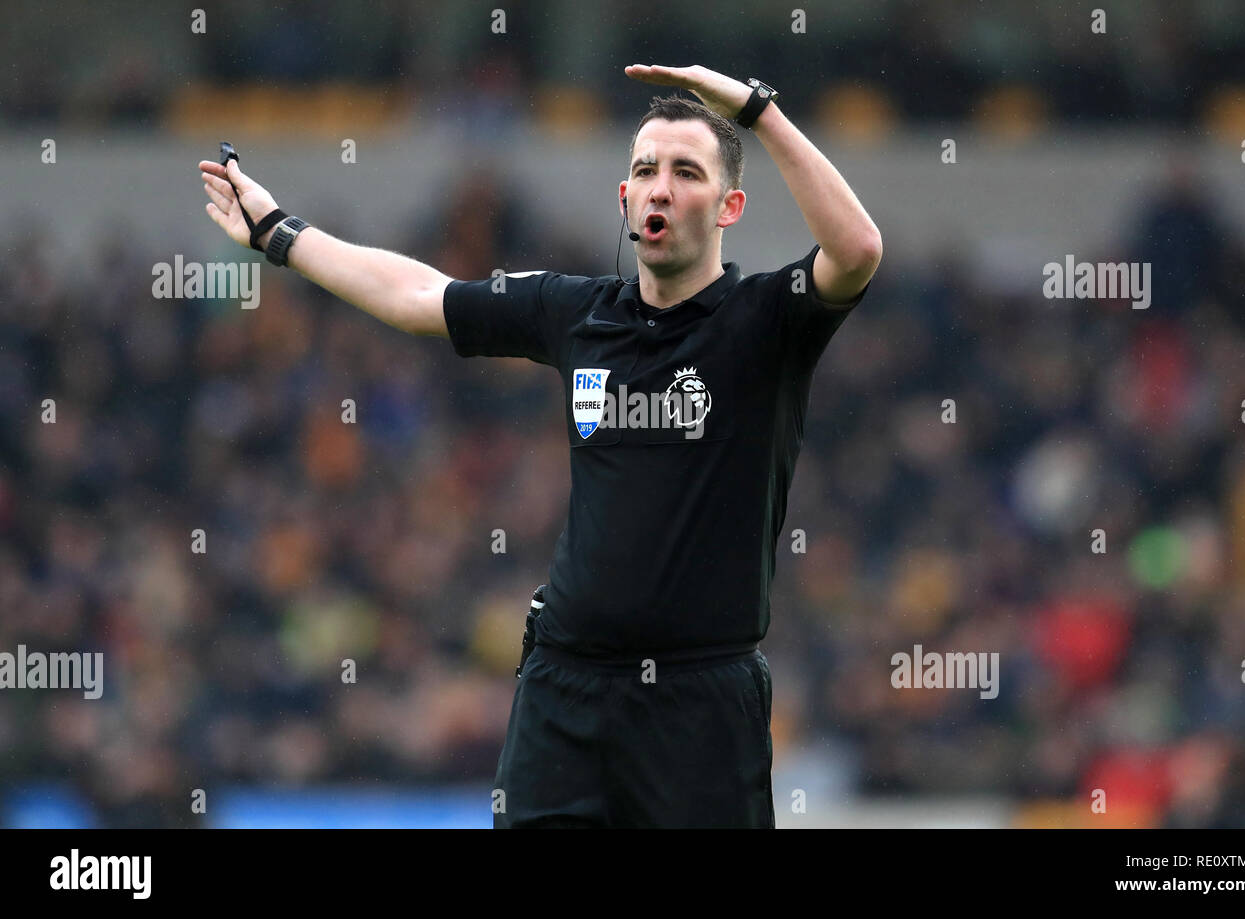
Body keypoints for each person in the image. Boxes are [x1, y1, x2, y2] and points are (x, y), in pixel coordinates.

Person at [198, 64, 882, 828]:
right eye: (644, 169)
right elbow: (418, 296)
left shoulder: (765, 322)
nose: (659, 186)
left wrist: (758, 113)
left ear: (730, 206)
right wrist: (278, 232)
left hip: (701, 704)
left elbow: (855, 248)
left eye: (687, 171)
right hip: (566, 691)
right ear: (625, 199)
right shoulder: (576, 312)